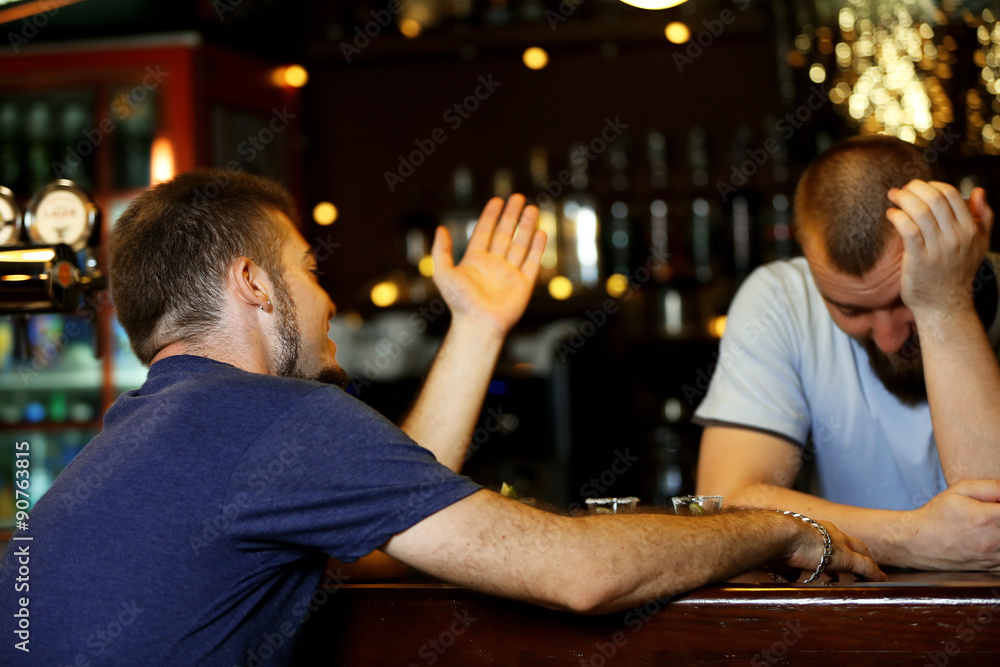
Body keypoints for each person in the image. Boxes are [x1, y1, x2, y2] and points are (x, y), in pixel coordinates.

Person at [0, 170, 882, 666]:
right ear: (255, 285)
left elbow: (384, 507)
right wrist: (775, 525)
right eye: (310, 271)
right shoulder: (277, 418)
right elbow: (580, 574)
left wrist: (477, 327)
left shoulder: (139, 439)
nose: (328, 300)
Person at [694, 134, 1000, 571]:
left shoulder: (954, 292)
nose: (890, 338)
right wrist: (913, 538)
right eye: (851, 309)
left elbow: (995, 525)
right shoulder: (783, 298)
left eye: (905, 297)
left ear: (964, 231)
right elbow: (726, 502)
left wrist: (943, 301)